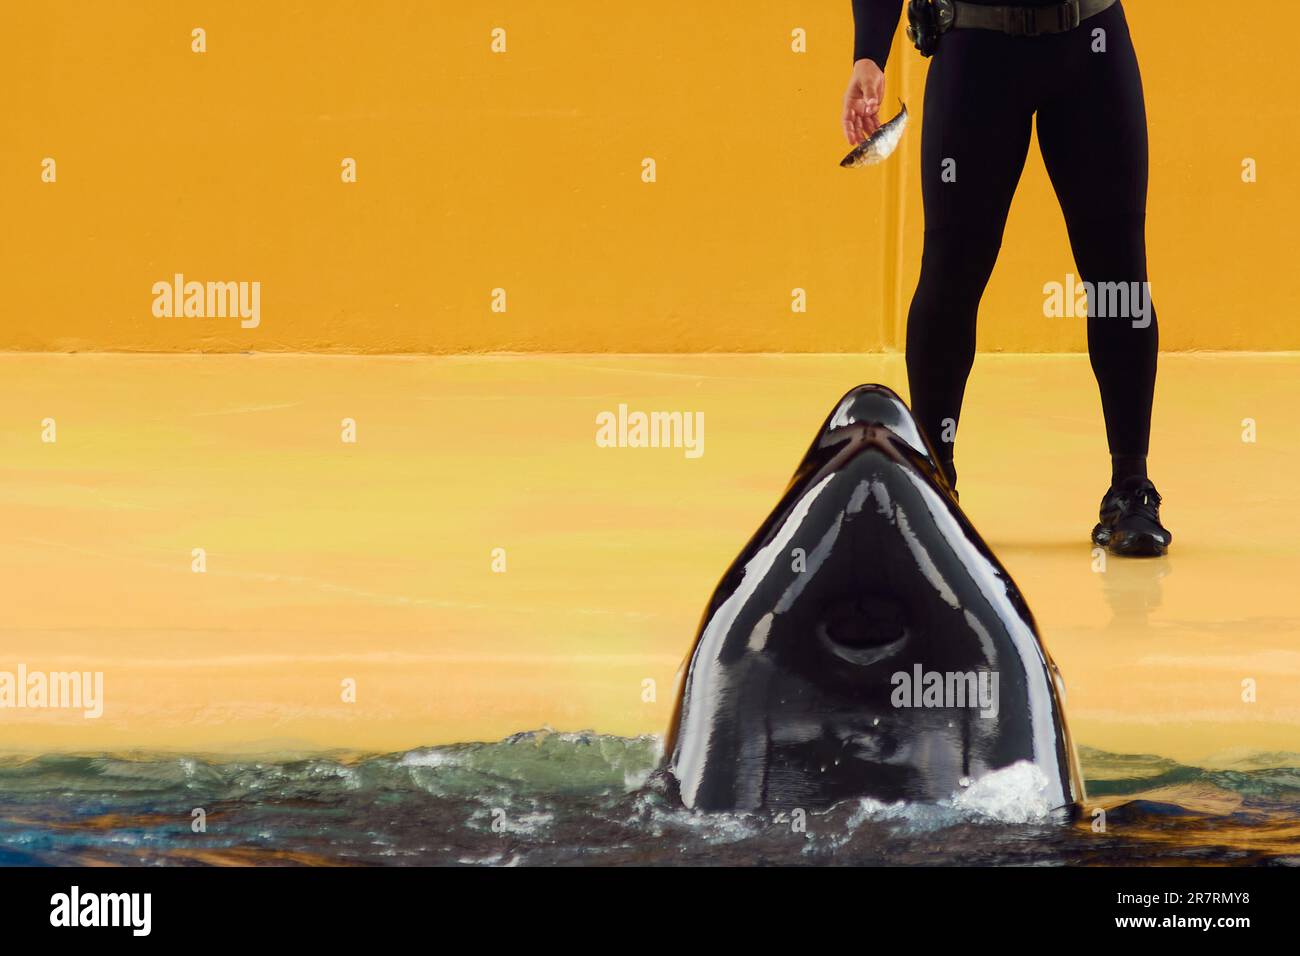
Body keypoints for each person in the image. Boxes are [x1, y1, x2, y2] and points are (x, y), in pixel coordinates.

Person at [843, 0, 1171, 556]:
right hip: (975, 46)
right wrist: (869, 51)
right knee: (951, 271)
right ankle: (933, 482)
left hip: (1090, 42)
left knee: (1119, 277)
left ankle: (1131, 488)